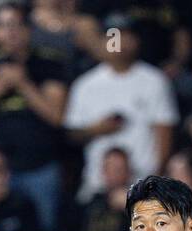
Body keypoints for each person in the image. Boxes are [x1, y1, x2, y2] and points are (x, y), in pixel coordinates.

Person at [0, 2, 69, 231]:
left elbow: (56, 117)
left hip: (42, 167)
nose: (11, 32)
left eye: (16, 25)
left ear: (28, 29)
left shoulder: (49, 62)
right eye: (3, 26)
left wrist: (24, 85)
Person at [64, 12, 177, 202]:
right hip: (97, 185)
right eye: (113, 36)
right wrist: (97, 129)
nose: (119, 42)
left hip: (143, 184)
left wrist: (155, 182)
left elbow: (164, 133)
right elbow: (71, 133)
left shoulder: (154, 81)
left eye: (126, 35)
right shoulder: (85, 84)